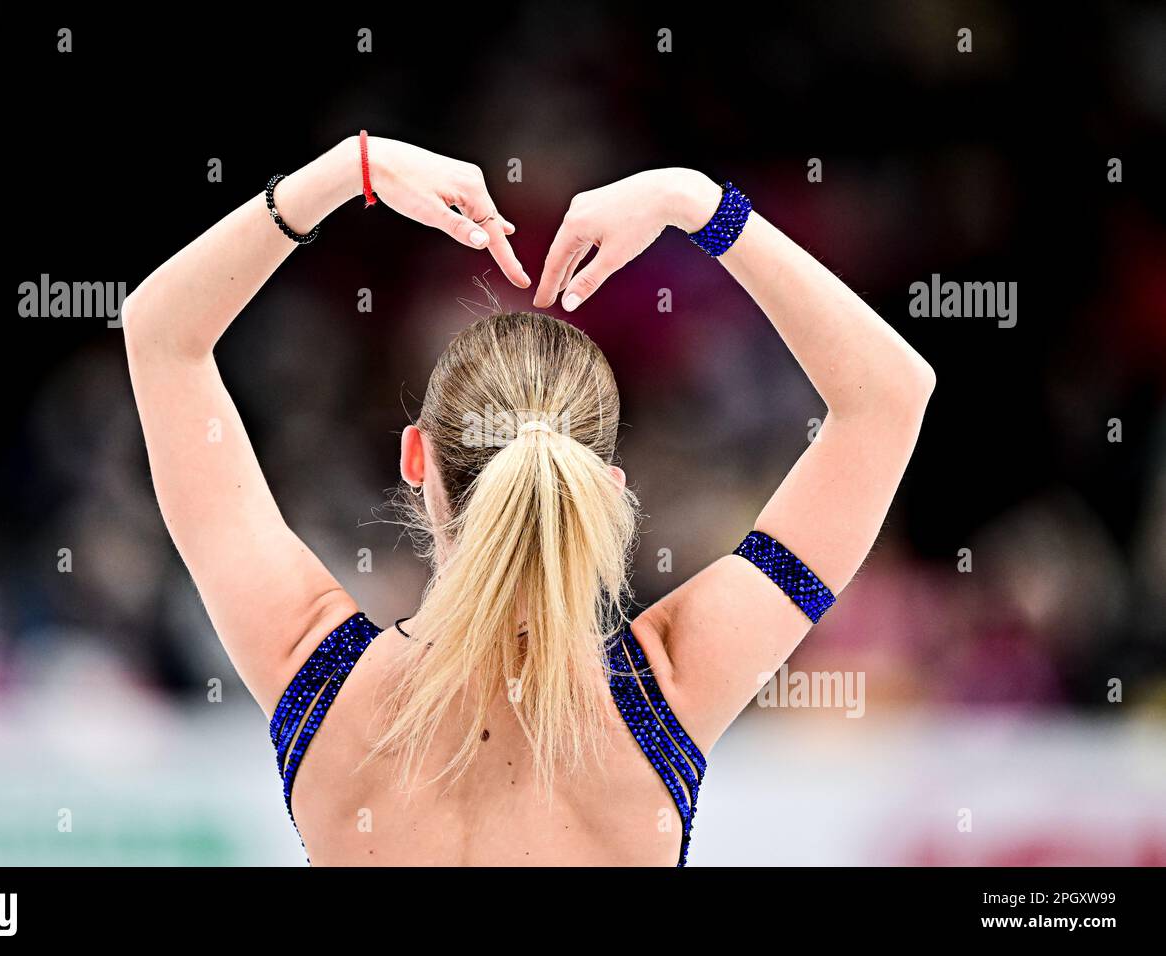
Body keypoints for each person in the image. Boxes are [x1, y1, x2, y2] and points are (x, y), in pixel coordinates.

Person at [121, 133, 935, 866]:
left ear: (415, 458)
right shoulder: (667, 693)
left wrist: (347, 171)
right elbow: (889, 399)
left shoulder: (314, 670)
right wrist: (695, 202)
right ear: (607, 489)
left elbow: (160, 335)